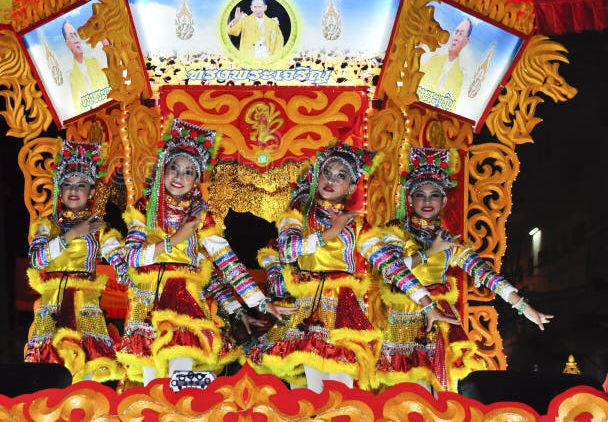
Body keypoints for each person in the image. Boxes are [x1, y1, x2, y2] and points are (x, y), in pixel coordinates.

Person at [358, 145, 553, 393]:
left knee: (445, 391)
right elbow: (392, 270)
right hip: (406, 317)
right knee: (409, 390)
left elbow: (484, 273)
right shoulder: (396, 231)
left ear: (444, 201)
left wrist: (523, 306)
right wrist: (430, 252)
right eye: (421, 195)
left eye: (434, 195)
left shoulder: (448, 240)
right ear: (410, 198)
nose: (427, 201)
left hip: (443, 319)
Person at [116, 117, 293, 386]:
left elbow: (226, 260)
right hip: (148, 299)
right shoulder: (144, 209)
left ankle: (189, 392)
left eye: (189, 171)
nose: (179, 176)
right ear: (163, 169)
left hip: (184, 297)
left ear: (197, 178)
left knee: (182, 359)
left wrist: (258, 302)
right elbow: (131, 257)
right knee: (152, 379)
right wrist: (175, 239)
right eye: (174, 167)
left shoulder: (200, 216)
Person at [247, 141, 383, 393]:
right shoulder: (298, 213)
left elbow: (389, 263)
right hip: (309, 307)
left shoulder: (357, 223)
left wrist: (425, 300)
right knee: (311, 390)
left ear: (352, 186)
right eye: (326, 173)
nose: (330, 180)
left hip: (343, 310)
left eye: (340, 176)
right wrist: (329, 233)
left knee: (340, 390)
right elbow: (287, 250)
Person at [24, 140, 128, 383]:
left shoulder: (99, 229)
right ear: (60, 189)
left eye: (81, 185)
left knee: (87, 379)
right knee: (52, 378)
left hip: (86, 310)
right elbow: (37, 260)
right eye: (67, 184)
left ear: (91, 191)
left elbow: (123, 266)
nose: (73, 190)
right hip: (53, 309)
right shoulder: (46, 226)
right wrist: (71, 235)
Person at [418, 17, 473, 109]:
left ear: (465, 41)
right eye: (456, 32)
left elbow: (455, 107)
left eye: (461, 34)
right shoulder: (435, 60)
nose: (455, 37)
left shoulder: (460, 77)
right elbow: (413, 74)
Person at [62, 20, 110, 106]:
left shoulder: (95, 62)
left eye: (75, 35)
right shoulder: (72, 78)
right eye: (71, 37)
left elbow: (110, 55)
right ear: (68, 44)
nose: (76, 40)